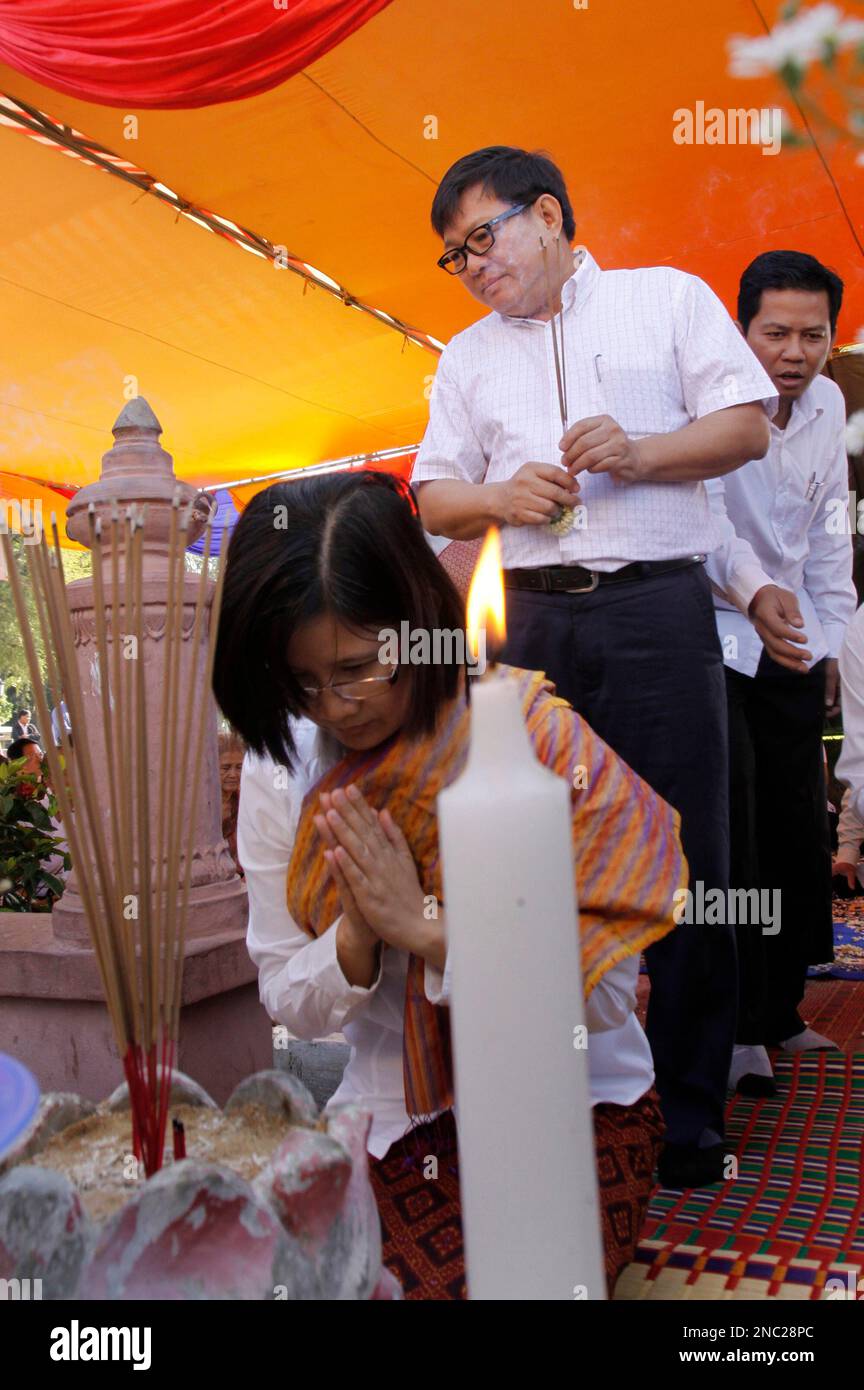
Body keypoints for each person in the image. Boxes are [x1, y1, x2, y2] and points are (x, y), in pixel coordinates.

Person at [212, 471, 688, 1299]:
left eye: (361, 667)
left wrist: (432, 932)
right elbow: (289, 994)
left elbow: (607, 997)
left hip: (575, 1104)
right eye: (305, 681)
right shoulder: (280, 766)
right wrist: (360, 933)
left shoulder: (534, 736)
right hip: (397, 1115)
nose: (337, 707)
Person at [411, 145, 777, 1187]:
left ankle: (693, 1110)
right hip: (533, 625)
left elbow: (747, 424)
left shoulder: (667, 299)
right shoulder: (467, 358)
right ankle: (574, 1092)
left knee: (683, 858)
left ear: (551, 216)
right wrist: (499, 500)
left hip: (658, 610)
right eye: (454, 256)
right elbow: (434, 495)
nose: (473, 266)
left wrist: (642, 451)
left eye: (482, 238)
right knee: (543, 856)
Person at [704, 251, 856, 1095]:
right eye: (776, 333)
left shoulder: (829, 402)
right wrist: (755, 594)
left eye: (813, 334)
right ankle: (734, 1028)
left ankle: (787, 1008)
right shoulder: (712, 397)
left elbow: (831, 528)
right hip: (723, 636)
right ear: (742, 329)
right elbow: (704, 519)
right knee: (741, 830)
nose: (794, 351)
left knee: (801, 825)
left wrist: (829, 642)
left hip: (797, 638)